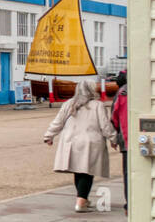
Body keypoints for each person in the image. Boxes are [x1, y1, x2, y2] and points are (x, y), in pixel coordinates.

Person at [43, 79, 115, 213]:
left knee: (78, 171)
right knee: (87, 172)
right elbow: (105, 126)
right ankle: (81, 202)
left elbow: (58, 122)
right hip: (90, 142)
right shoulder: (97, 105)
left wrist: (49, 136)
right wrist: (114, 138)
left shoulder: (68, 104)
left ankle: (83, 199)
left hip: (71, 141)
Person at [112, 71, 128, 213]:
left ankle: (129, 203)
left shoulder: (121, 93)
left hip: (125, 138)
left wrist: (115, 136)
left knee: (128, 172)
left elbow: (114, 116)